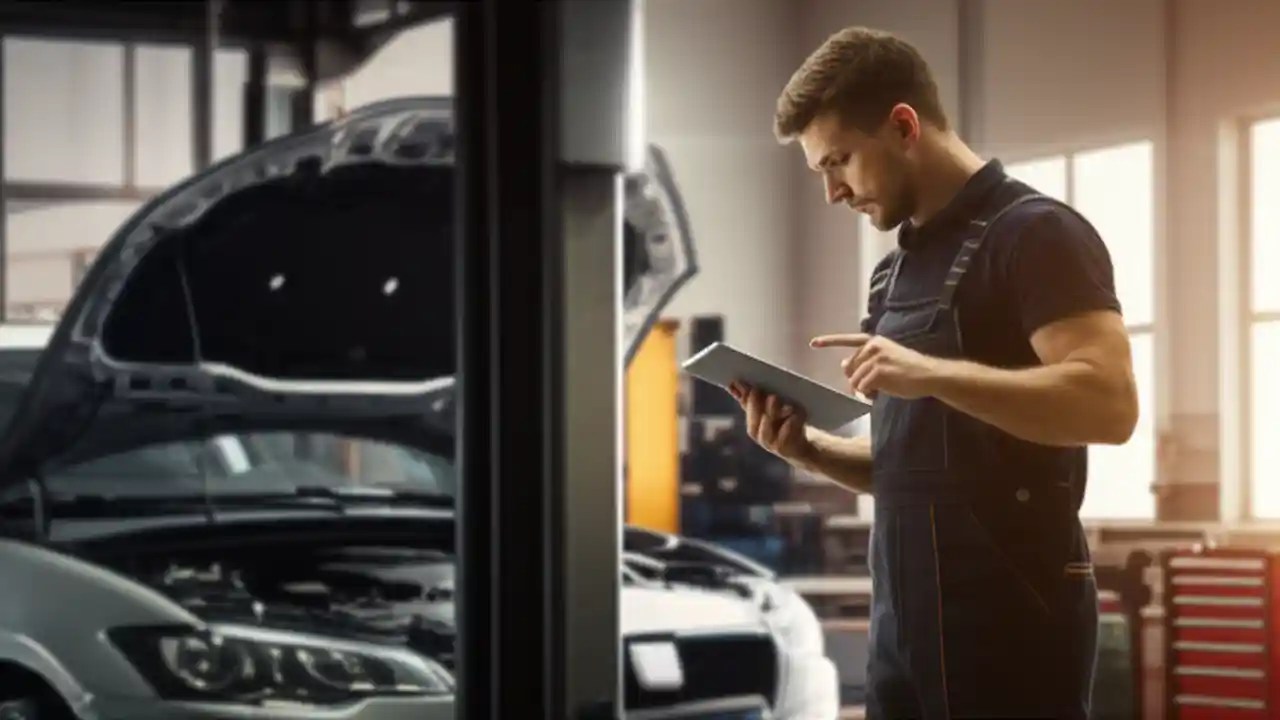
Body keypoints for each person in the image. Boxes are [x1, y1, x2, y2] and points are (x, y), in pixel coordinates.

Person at [727, 26, 1139, 720]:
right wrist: (810, 451)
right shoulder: (892, 275)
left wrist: (936, 374)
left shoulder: (1037, 234)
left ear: (903, 124)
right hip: (904, 630)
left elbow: (1110, 403)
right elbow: (917, 465)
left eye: (841, 162)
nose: (832, 192)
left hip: (1013, 629)